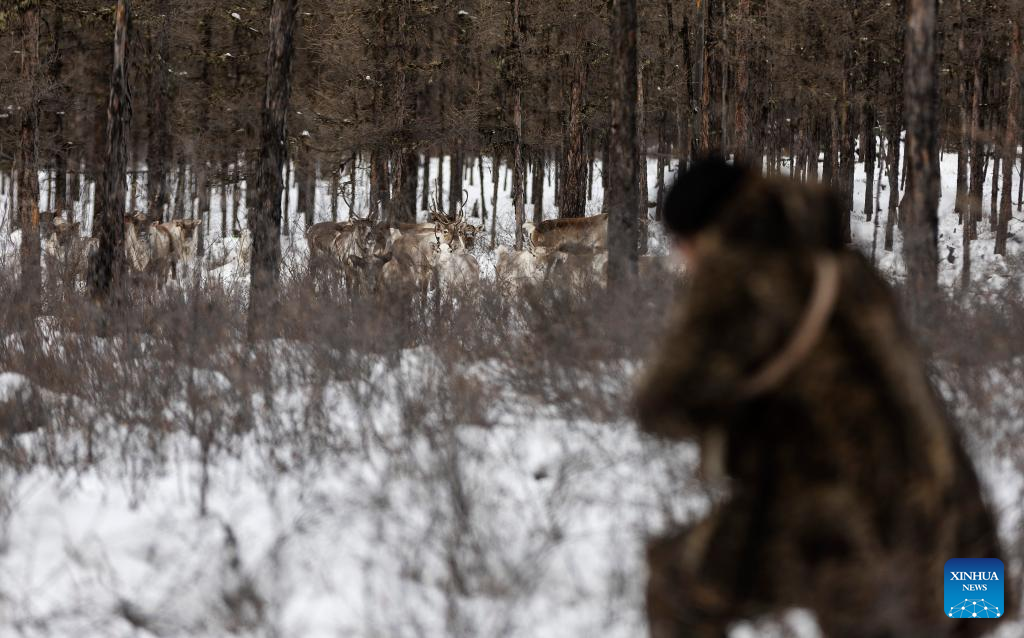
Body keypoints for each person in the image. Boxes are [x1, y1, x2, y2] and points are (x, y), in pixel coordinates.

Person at [635, 158, 1006, 638]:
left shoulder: (740, 271)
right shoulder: (845, 264)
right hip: (955, 514)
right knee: (954, 621)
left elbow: (661, 403)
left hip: (841, 526)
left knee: (678, 589)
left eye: (680, 248)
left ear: (699, 234)